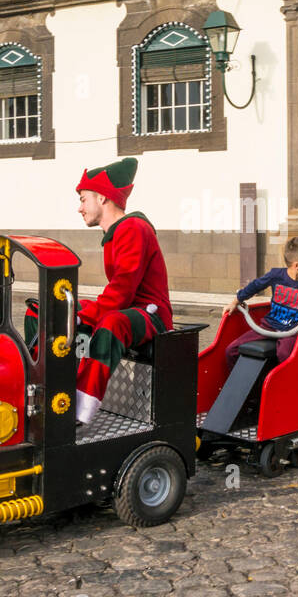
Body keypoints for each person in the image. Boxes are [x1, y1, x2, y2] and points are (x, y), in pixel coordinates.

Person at [70, 157, 173, 425]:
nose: (79, 208)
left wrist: (86, 316)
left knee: (110, 323)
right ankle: (47, 386)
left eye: (83, 199)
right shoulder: (118, 232)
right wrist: (75, 313)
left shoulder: (133, 228)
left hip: (150, 316)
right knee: (54, 308)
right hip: (130, 310)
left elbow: (122, 289)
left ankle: (80, 408)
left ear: (102, 198)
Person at [223, 236, 298, 366]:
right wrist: (235, 301)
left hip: (293, 331)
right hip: (269, 326)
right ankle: (241, 384)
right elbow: (255, 286)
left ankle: (280, 384)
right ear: (297, 266)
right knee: (231, 350)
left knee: (284, 355)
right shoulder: (276, 275)